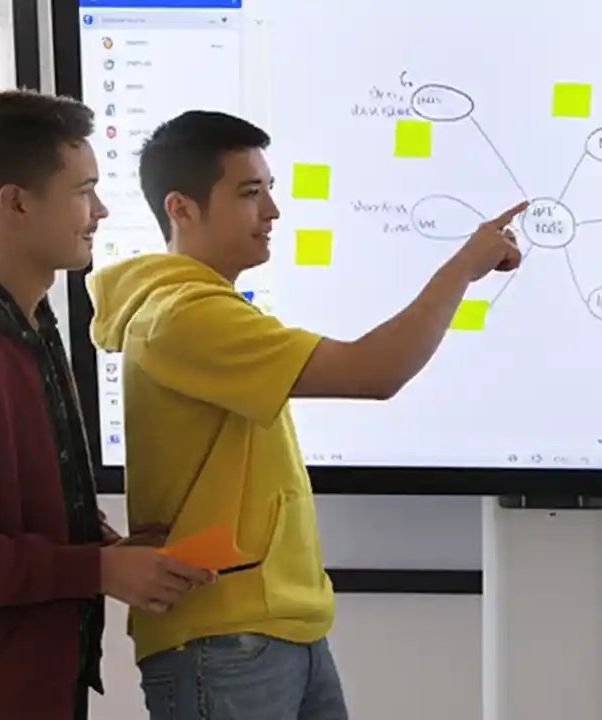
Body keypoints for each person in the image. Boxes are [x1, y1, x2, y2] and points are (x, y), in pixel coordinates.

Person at [85, 109, 525, 720]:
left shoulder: (203, 307)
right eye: (249, 192)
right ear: (181, 209)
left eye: (270, 190)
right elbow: (376, 372)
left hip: (273, 625)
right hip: (227, 636)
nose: (272, 211)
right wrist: (462, 269)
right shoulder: (185, 316)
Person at [0, 90, 213, 720]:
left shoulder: (27, 329)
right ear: (17, 202)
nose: (101, 210)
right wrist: (95, 571)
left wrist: (112, 550)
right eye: (84, 190)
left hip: (30, 687)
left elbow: (18, 509)